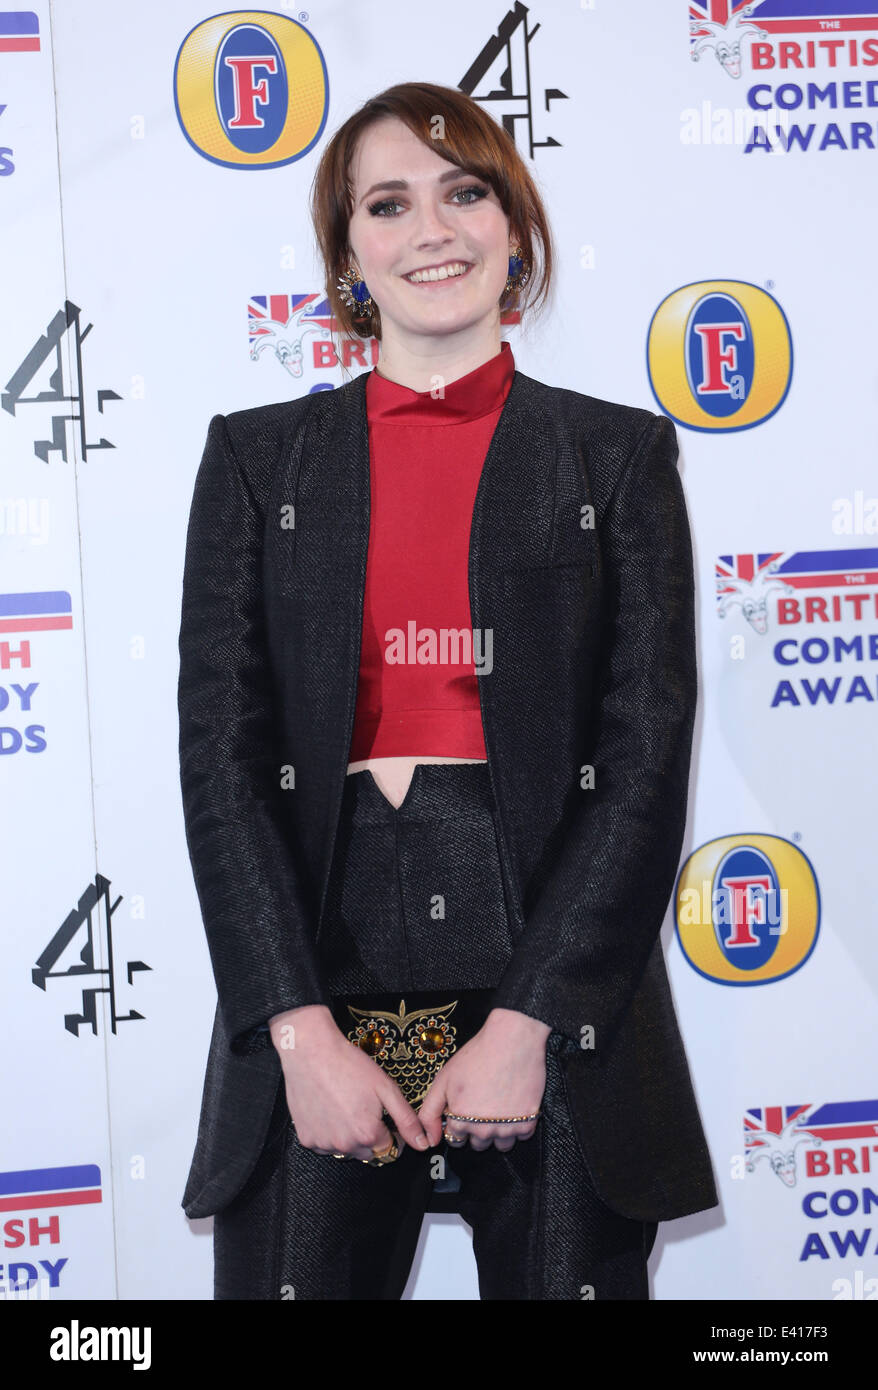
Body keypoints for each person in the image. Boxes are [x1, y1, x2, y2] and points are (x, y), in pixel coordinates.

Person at [177, 81, 718, 1301]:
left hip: (552, 964)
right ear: (347, 254)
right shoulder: (257, 463)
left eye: (464, 191)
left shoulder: (616, 456)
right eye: (388, 203)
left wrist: (530, 1023)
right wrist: (296, 1031)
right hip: (320, 963)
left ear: (513, 226)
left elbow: (639, 760)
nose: (432, 228)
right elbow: (219, 764)